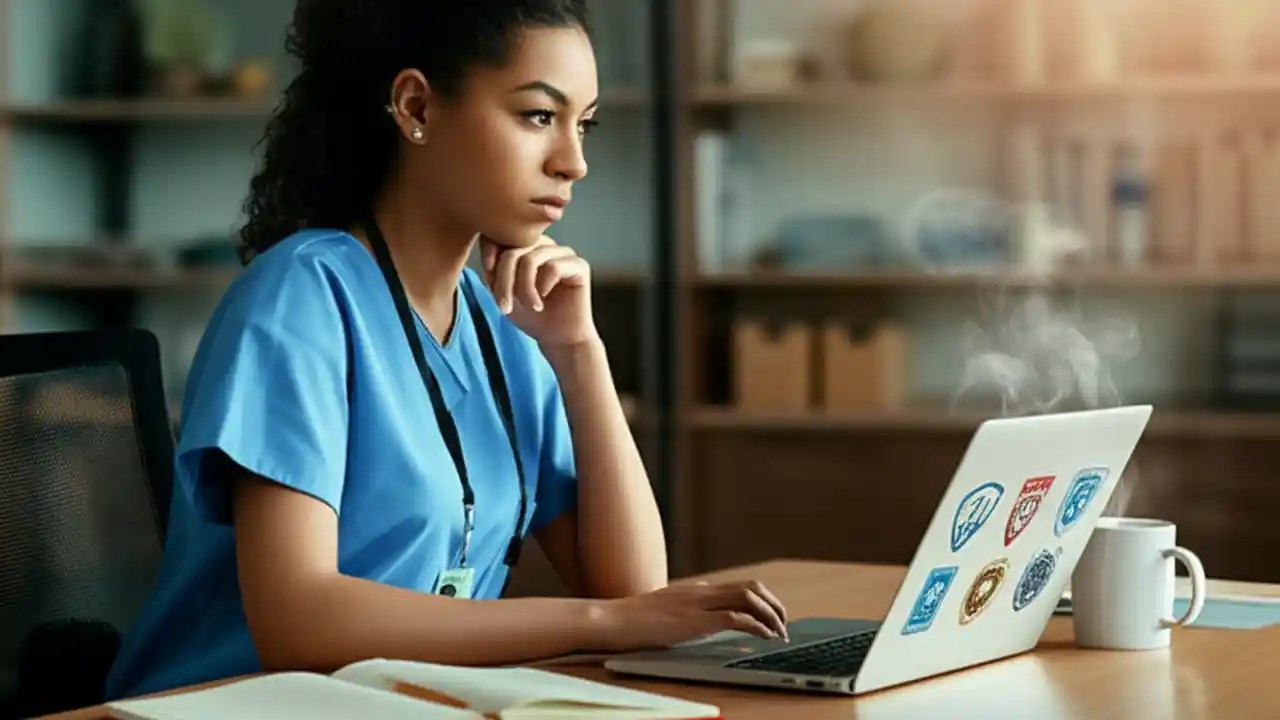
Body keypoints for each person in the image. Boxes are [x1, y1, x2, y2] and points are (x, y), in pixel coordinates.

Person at [105, 0, 789, 700]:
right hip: (226, 708)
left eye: (583, 124)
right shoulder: (302, 296)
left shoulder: (509, 323)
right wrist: (598, 623)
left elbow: (634, 589)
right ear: (416, 108)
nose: (573, 162)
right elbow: (298, 622)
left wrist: (582, 354)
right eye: (537, 116)